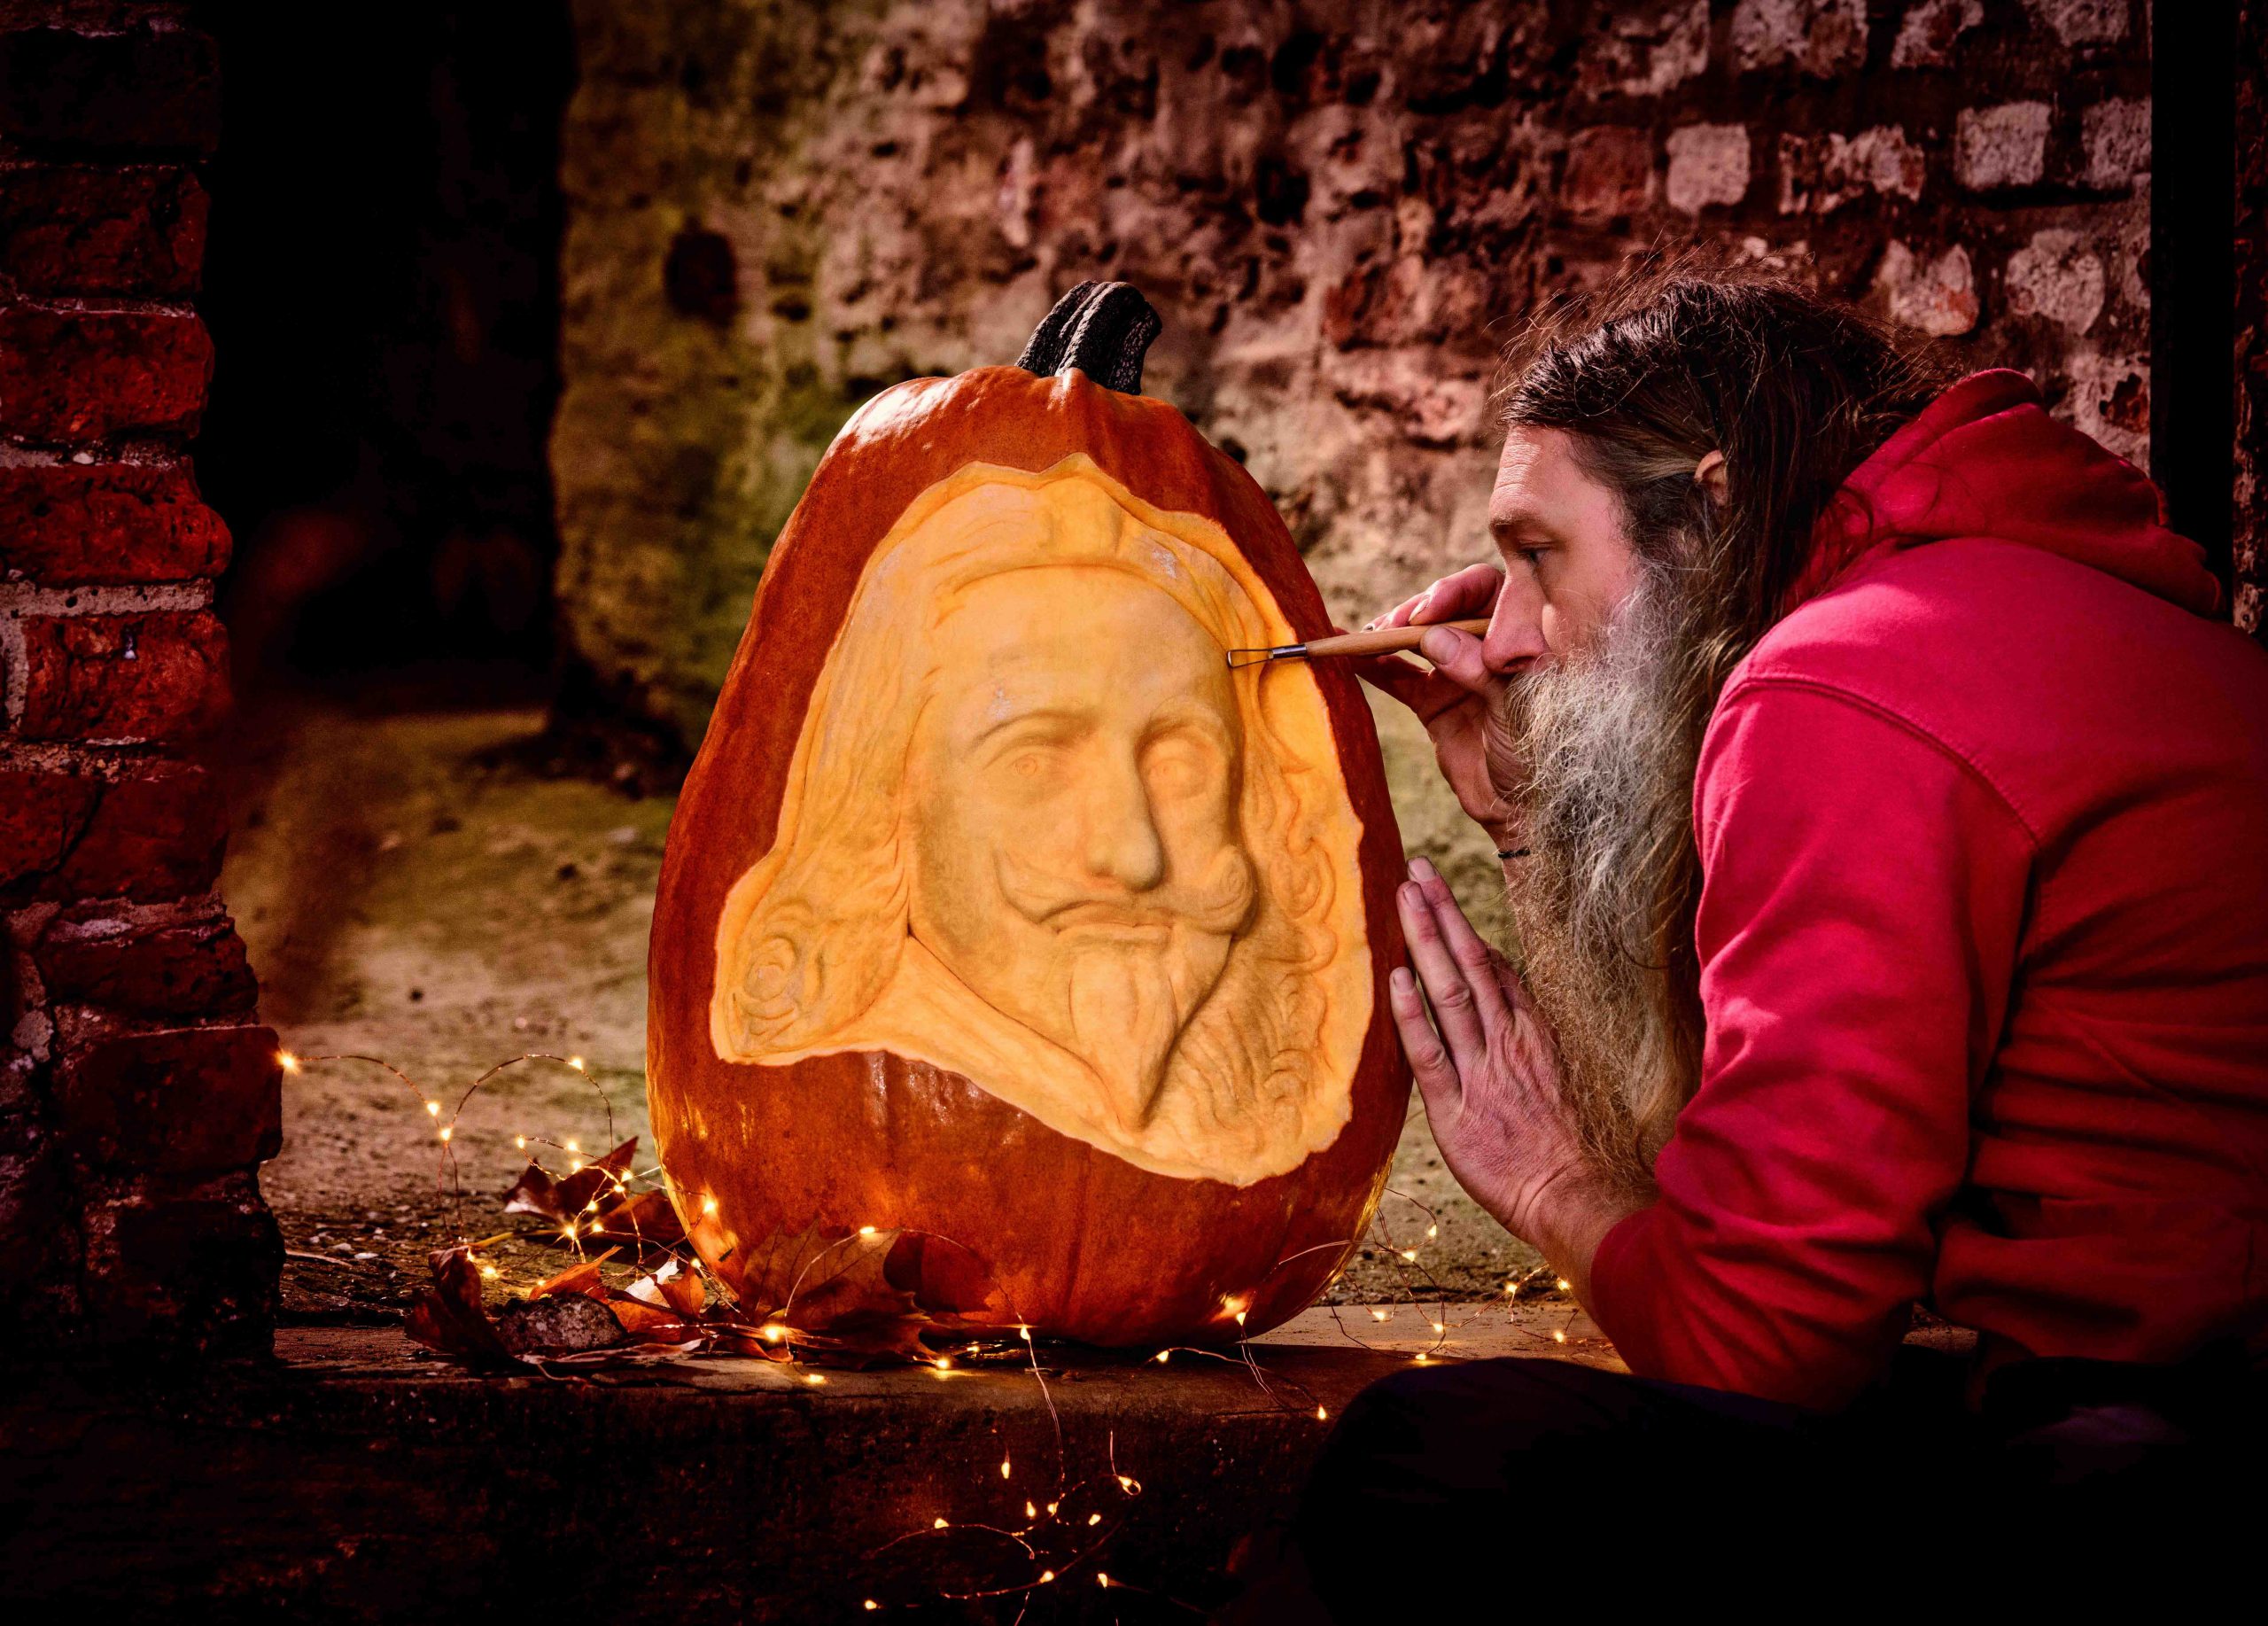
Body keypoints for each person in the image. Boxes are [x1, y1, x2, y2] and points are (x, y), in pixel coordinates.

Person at [1234, 265, 2268, 1615]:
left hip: (2172, 1453)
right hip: (2146, 1397)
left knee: (1431, 1457)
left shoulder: (1842, 682)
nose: (1511, 631)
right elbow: (1746, 1173)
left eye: (1537, 553)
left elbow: (1755, 1344)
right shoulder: (2008, 604)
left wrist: (1550, 1184)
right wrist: (1527, 826)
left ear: (1709, 505)